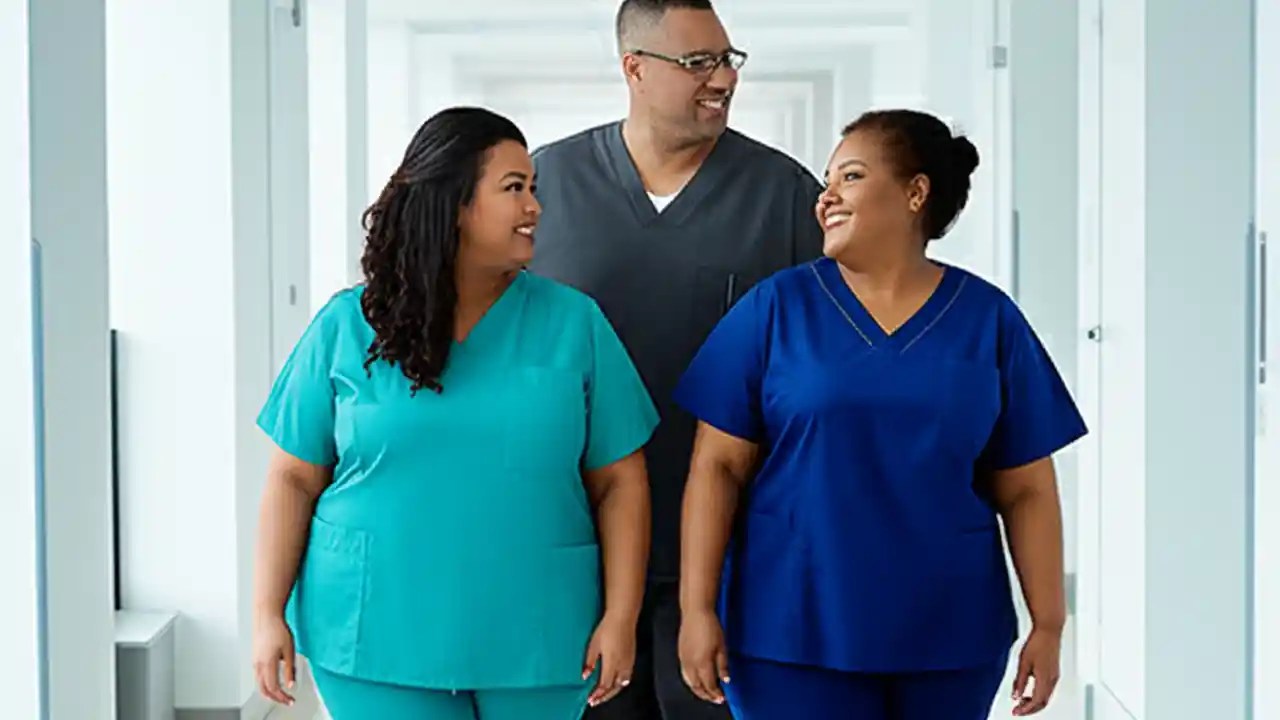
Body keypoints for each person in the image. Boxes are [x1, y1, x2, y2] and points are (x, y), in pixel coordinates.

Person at [672, 108, 1088, 720]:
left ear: (915, 192)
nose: (827, 197)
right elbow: (716, 469)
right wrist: (698, 609)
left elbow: (1026, 488)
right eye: (827, 181)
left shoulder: (987, 319)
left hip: (949, 637)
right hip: (790, 632)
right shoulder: (775, 309)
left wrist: (1049, 624)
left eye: (852, 177)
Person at [250, 106, 660, 720]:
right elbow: (293, 477)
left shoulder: (574, 325)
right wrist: (265, 614)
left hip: (538, 634)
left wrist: (621, 617)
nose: (535, 208)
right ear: (455, 204)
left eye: (534, 189)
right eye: (514, 188)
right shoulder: (345, 324)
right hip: (374, 632)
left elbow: (621, 482)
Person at [526, 1, 825, 717]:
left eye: (728, 60)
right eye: (698, 63)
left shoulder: (784, 196)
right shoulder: (548, 186)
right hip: (578, 551)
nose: (722, 78)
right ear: (634, 68)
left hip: (734, 555)